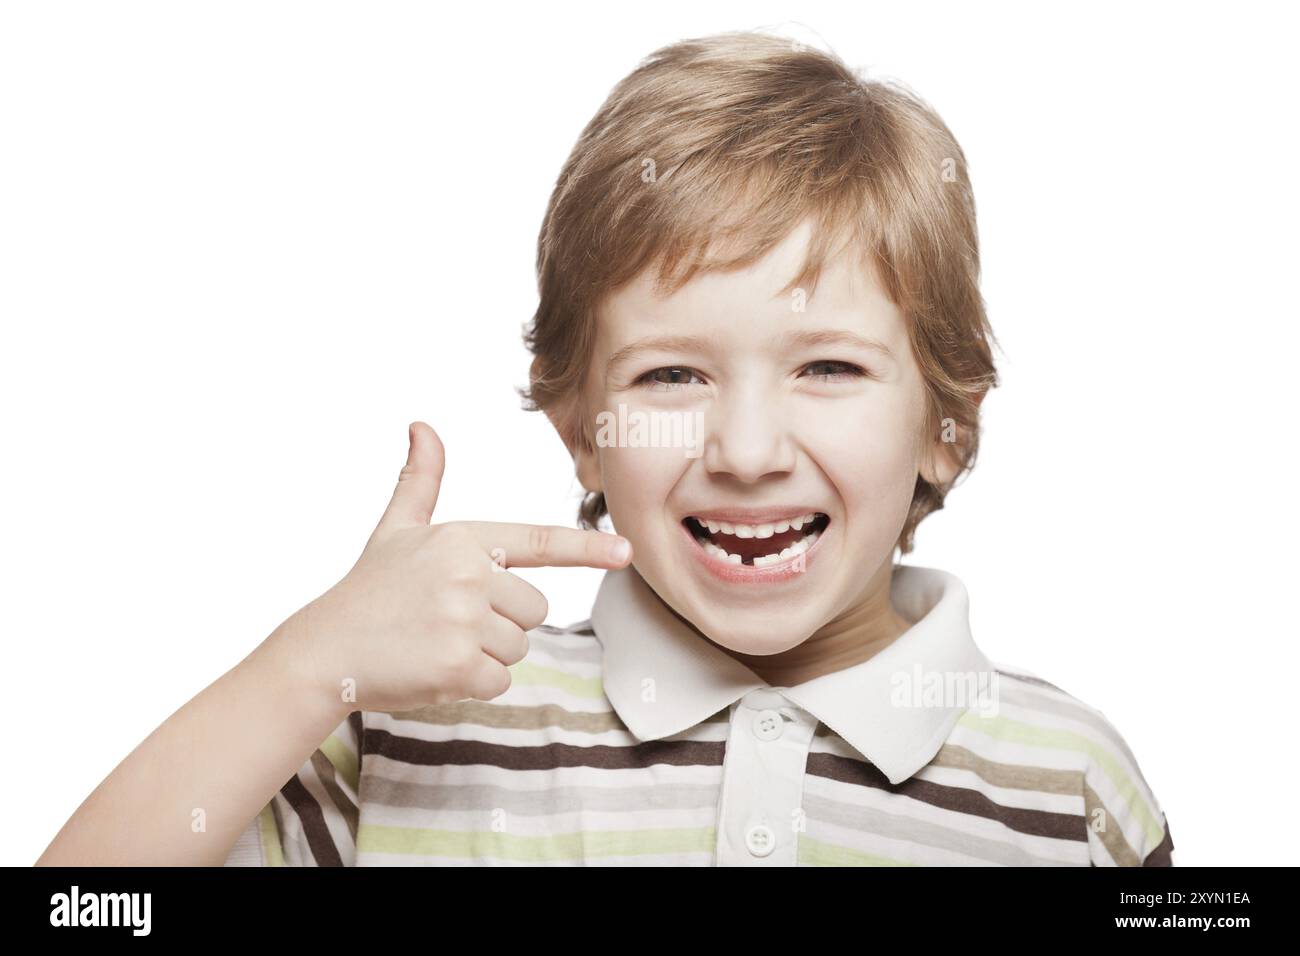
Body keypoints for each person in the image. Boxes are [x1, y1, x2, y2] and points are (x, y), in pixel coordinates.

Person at [37, 29, 1172, 867]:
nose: (744, 447)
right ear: (582, 432)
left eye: (827, 367)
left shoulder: (1066, 783)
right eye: (671, 375)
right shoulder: (420, 728)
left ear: (945, 423)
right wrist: (302, 665)